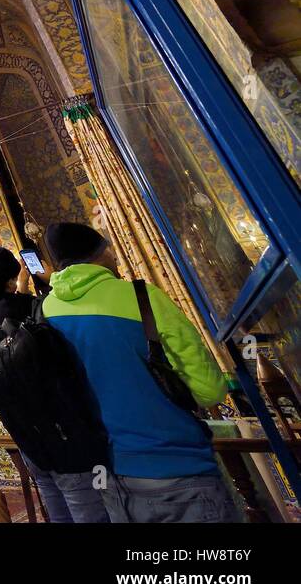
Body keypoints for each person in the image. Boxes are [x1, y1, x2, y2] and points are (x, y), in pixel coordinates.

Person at [41, 223, 236, 523]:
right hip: (175, 464)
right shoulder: (143, 296)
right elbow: (210, 390)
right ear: (101, 252)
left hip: (106, 474)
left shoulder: (45, 311)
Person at [0, 247, 108, 523]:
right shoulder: (31, 307)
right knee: (86, 501)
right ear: (10, 279)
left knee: (52, 496)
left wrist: (17, 286)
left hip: (24, 426)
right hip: (61, 425)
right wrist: (43, 278)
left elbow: (7, 308)